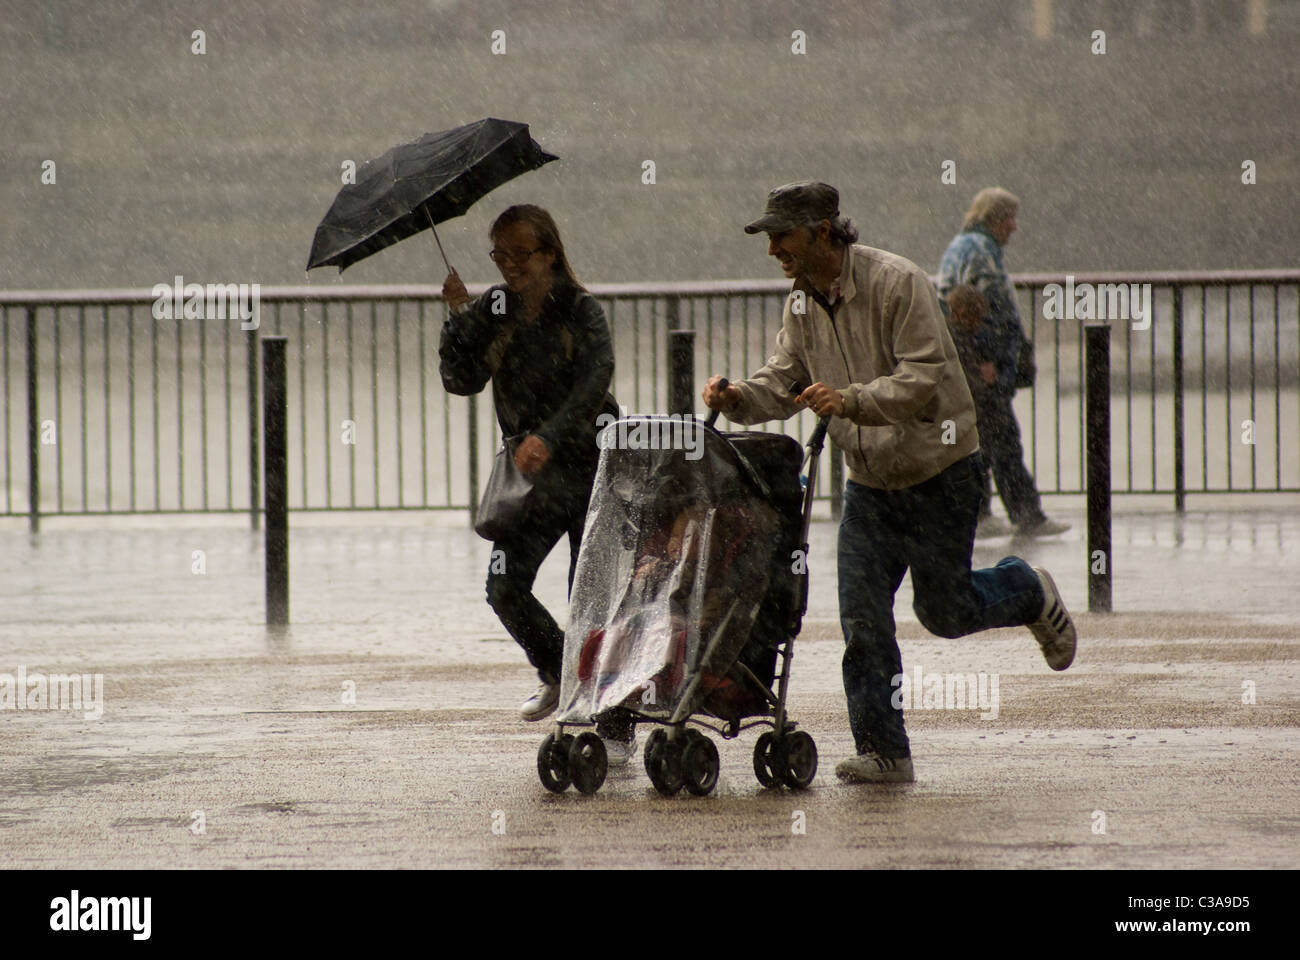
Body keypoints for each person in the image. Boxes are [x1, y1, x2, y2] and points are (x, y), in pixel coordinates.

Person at [702, 181, 1077, 784]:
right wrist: (739, 397)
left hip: (941, 471)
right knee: (863, 617)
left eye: (782, 236)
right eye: (769, 238)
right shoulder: (799, 302)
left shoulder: (897, 282)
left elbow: (923, 377)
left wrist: (850, 401)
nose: (773, 249)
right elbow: (785, 375)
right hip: (869, 485)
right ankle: (885, 751)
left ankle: (1028, 591)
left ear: (823, 231)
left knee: (944, 611)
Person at [439, 204, 635, 761]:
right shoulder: (494, 309)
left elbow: (598, 378)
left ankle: (614, 721)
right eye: (499, 254)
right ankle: (556, 669)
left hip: (595, 468)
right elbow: (461, 379)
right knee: (504, 585)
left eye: (520, 253)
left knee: (592, 596)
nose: (508, 265)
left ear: (549, 252)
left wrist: (548, 435)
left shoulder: (580, 308)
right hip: (532, 482)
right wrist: (458, 318)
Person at [937, 187, 1069, 538]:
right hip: (983, 367)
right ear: (994, 219)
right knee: (1001, 440)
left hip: (969, 363)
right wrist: (988, 358)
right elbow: (986, 311)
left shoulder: (963, 247)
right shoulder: (981, 253)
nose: (1014, 226)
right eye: (1010, 217)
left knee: (982, 441)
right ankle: (1023, 516)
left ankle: (986, 514)